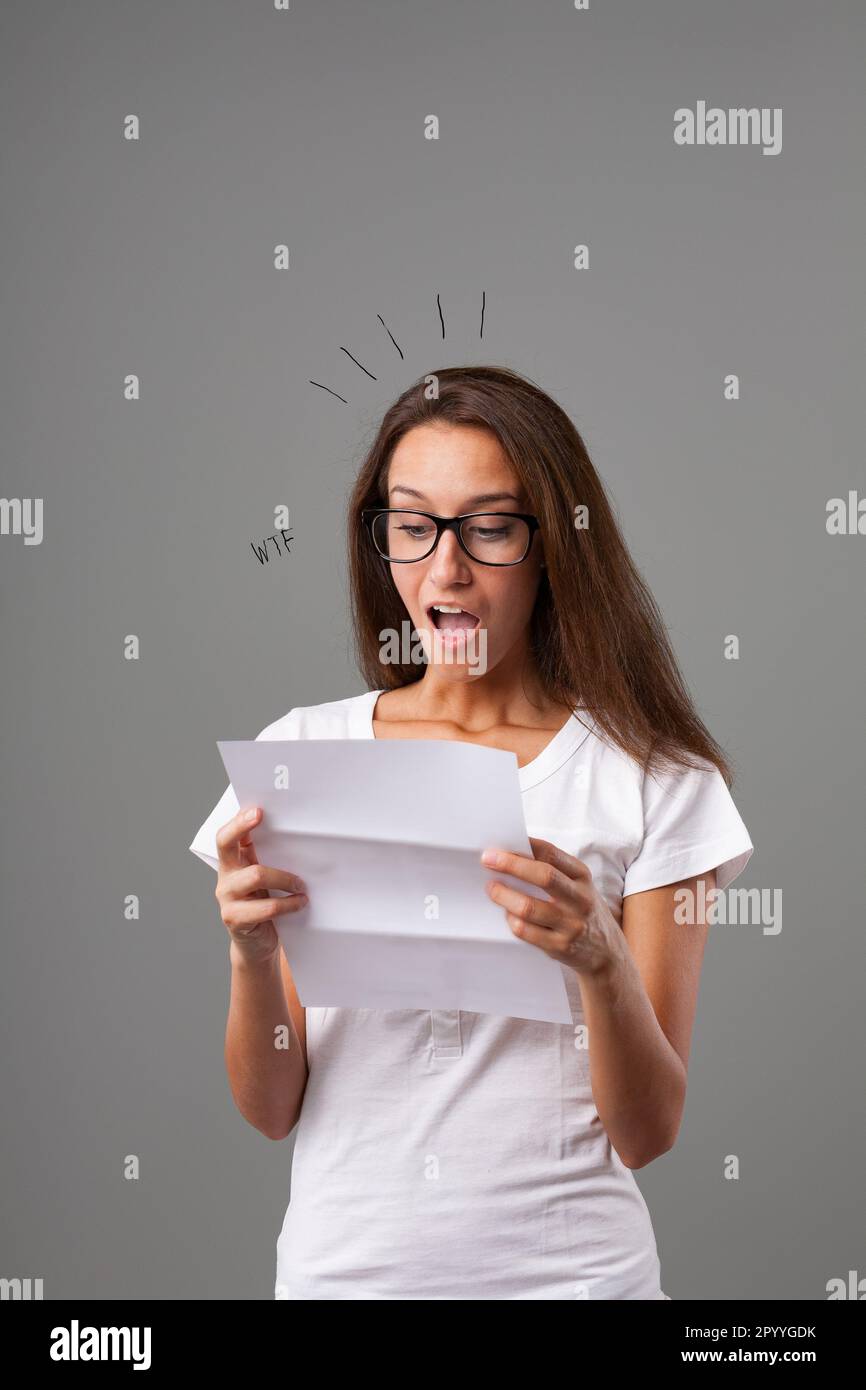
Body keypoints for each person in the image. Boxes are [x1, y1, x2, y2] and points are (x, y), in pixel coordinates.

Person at [190, 364, 754, 1300]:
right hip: (345, 1280)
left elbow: (648, 1132)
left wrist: (600, 958)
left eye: (489, 528)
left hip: (577, 1283)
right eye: (412, 528)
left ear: (555, 545)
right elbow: (268, 1108)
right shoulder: (303, 753)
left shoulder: (654, 777)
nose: (445, 569)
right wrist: (252, 953)